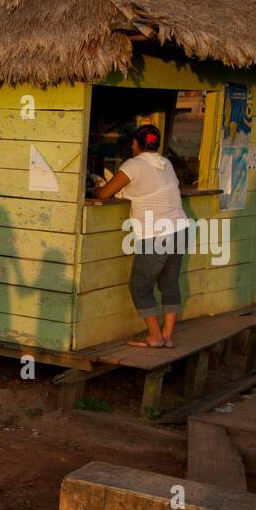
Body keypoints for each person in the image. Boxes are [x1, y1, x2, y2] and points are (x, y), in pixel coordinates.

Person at [93, 123, 190, 348]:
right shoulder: (166, 163)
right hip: (180, 229)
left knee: (139, 286)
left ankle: (155, 337)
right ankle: (167, 335)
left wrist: (97, 189)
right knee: (169, 282)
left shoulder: (134, 165)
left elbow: (106, 193)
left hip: (157, 234)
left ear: (135, 144)